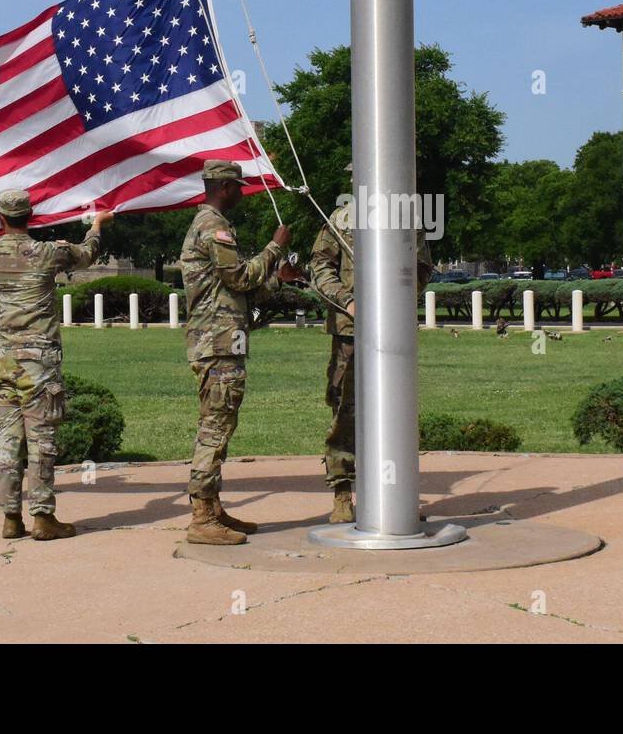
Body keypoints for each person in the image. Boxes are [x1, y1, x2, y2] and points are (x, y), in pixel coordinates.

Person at [0, 189, 112, 540]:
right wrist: (97, 225)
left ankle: (10, 516)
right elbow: (87, 255)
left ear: (0, 217)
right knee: (41, 439)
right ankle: (42, 517)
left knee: (7, 438)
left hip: (0, 360)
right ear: (30, 216)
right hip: (37, 362)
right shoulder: (47, 254)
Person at [179, 160, 300, 545]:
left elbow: (240, 292)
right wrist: (275, 246)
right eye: (239, 188)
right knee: (214, 427)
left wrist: (278, 280)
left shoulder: (215, 225)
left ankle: (212, 509)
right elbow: (241, 277)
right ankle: (201, 518)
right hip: (216, 344)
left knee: (221, 423)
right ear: (225, 187)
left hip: (221, 340)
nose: (243, 194)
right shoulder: (212, 226)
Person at [307, 164, 433, 524]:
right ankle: (342, 492)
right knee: (346, 412)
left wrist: (397, 299)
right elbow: (321, 266)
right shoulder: (340, 219)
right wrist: (346, 299)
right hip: (350, 330)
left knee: (396, 412)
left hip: (393, 332)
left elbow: (421, 268)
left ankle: (395, 494)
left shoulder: (406, 217)